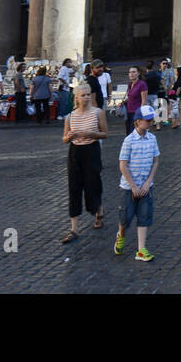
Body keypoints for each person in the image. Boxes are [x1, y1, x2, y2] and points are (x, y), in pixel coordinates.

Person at [61, 80, 108, 242]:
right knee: (74, 188)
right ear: (76, 98)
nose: (86, 98)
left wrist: (91, 133)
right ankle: (74, 228)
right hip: (75, 152)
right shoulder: (70, 116)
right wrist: (69, 137)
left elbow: (105, 133)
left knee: (92, 183)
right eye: (83, 95)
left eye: (88, 94)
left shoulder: (97, 113)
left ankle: (98, 210)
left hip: (91, 150)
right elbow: (64, 139)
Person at [114, 104, 159, 262]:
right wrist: (133, 185)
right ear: (138, 122)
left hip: (146, 187)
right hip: (128, 188)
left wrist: (148, 182)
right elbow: (123, 165)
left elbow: (155, 161)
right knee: (125, 219)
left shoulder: (152, 139)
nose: (150, 122)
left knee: (144, 216)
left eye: (151, 120)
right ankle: (121, 235)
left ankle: (141, 249)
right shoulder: (129, 141)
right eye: (147, 120)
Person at [124, 67, 147, 137]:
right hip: (128, 112)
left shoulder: (142, 84)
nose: (131, 74)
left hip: (136, 113)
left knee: (134, 133)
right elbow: (130, 98)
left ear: (138, 73)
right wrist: (123, 102)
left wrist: (140, 115)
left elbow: (144, 101)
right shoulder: (130, 84)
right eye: (130, 72)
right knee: (128, 133)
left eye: (134, 72)